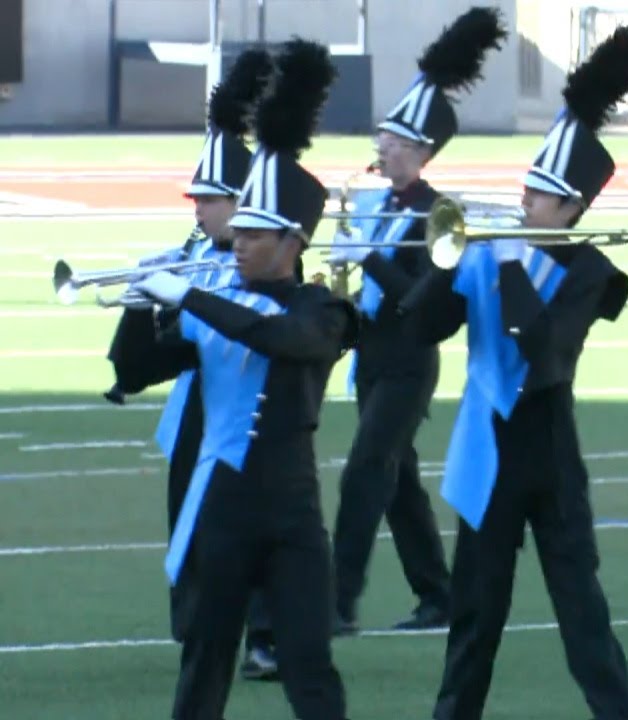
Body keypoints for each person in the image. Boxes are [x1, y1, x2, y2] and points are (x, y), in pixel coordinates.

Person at [395, 26, 628, 720]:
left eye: (539, 197)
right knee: (475, 617)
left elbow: (545, 354)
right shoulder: (489, 252)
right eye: (526, 191)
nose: (524, 206)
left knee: (583, 619)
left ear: (571, 207)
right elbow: (419, 326)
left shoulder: (594, 273)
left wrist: (510, 265)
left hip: (550, 457)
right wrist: (449, 263)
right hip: (489, 458)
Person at [109, 38, 355, 720]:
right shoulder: (215, 305)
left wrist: (188, 297)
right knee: (204, 668)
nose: (238, 243)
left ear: (292, 243)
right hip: (221, 512)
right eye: (237, 230)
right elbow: (134, 371)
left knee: (310, 671)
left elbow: (281, 338)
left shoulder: (322, 309)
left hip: (295, 520)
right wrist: (140, 305)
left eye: (255, 233)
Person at [325, 5, 507, 635]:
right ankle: (438, 595)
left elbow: (418, 298)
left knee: (363, 474)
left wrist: (368, 256)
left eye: (397, 141)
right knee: (398, 483)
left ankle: (337, 602)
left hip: (408, 360)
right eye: (383, 136)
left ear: (424, 152)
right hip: (371, 356)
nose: (383, 147)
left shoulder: (440, 215)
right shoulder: (374, 203)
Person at [104, 45, 282, 681]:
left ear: (239, 200)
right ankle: (197, 633)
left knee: (255, 531)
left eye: (209, 198)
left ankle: (266, 637)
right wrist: (138, 305)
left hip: (251, 415)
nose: (198, 209)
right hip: (194, 417)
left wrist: (186, 300)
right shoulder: (194, 255)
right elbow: (148, 365)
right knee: (187, 521)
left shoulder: (263, 263)